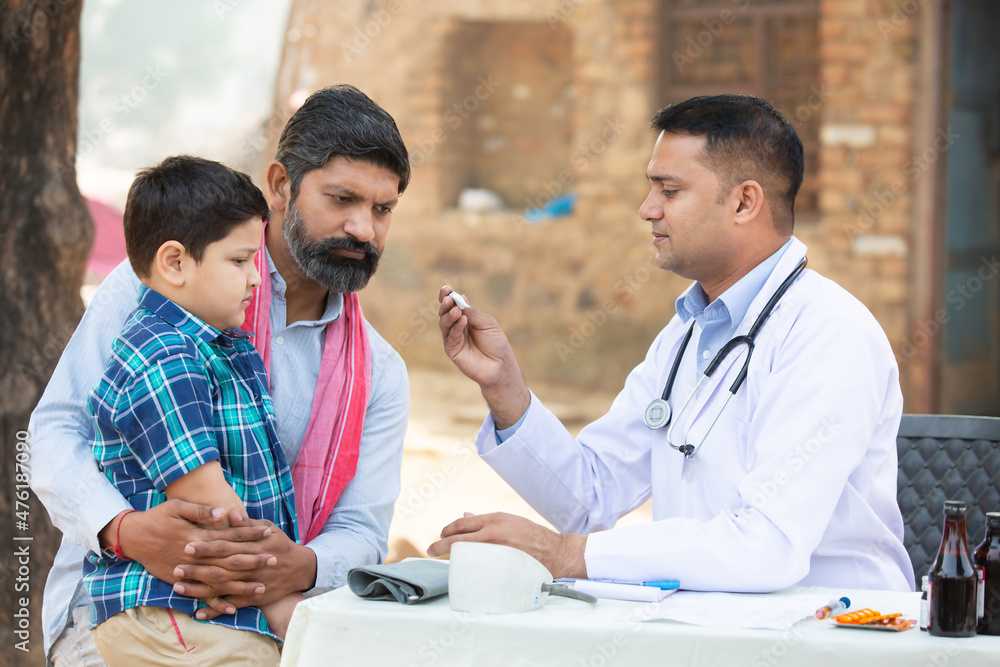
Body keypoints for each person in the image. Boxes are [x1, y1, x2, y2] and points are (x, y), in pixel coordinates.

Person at [428, 94, 915, 593]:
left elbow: (767, 546)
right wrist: (505, 389)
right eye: (650, 189)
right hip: (706, 625)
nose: (647, 210)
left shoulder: (829, 334)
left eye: (670, 190)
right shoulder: (686, 333)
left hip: (827, 630)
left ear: (744, 202)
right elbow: (590, 498)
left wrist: (568, 555)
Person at [30, 84, 411, 665]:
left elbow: (360, 529)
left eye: (382, 209)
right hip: (122, 612)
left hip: (272, 615)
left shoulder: (378, 372)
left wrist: (299, 566)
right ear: (281, 185)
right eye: (342, 199)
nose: (364, 228)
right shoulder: (158, 286)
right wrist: (124, 529)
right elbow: (54, 432)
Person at [84, 155, 302, 664]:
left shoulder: (214, 345)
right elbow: (213, 508)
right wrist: (278, 598)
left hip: (212, 599)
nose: (255, 279)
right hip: (167, 609)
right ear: (175, 263)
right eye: (239, 261)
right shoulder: (165, 357)